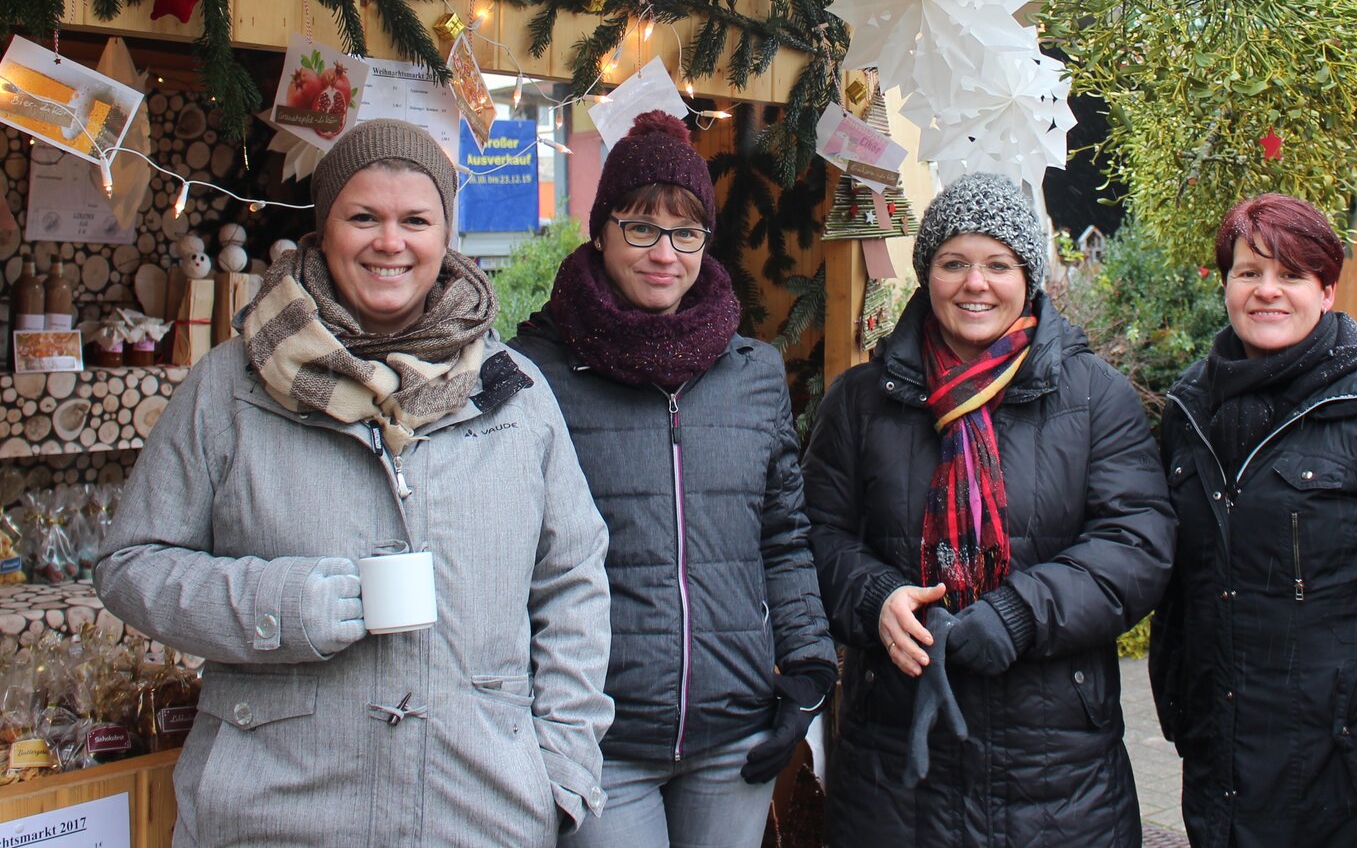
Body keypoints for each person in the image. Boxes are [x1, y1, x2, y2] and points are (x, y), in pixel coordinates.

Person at [97, 120, 612, 847]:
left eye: (415, 220)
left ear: (446, 234)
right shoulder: (231, 386)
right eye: (363, 215)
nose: (390, 242)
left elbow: (574, 579)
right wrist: (280, 605)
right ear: (324, 227)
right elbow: (131, 564)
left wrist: (558, 769)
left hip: (479, 809)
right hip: (272, 811)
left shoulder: (512, 391)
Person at [803, 172, 1174, 846]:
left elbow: (1137, 542)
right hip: (896, 756)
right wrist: (876, 597)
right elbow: (815, 536)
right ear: (927, 273)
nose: (976, 283)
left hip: (1057, 768)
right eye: (954, 262)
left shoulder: (1094, 399)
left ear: (1027, 274)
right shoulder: (860, 402)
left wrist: (1022, 611)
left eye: (997, 263)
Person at [515, 110, 835, 847]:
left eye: (686, 231)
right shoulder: (540, 373)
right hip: (599, 736)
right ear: (601, 230)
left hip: (733, 734)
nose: (666, 252)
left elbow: (782, 537)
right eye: (641, 227)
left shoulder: (751, 372)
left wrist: (811, 663)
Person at [1149, 193, 1357, 848]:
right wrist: (1185, 720)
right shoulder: (1190, 411)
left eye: (1291, 275)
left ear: (1327, 290)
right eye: (1249, 273)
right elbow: (1181, 590)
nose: (1267, 291)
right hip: (1225, 774)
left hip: (1346, 780)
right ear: (1225, 285)